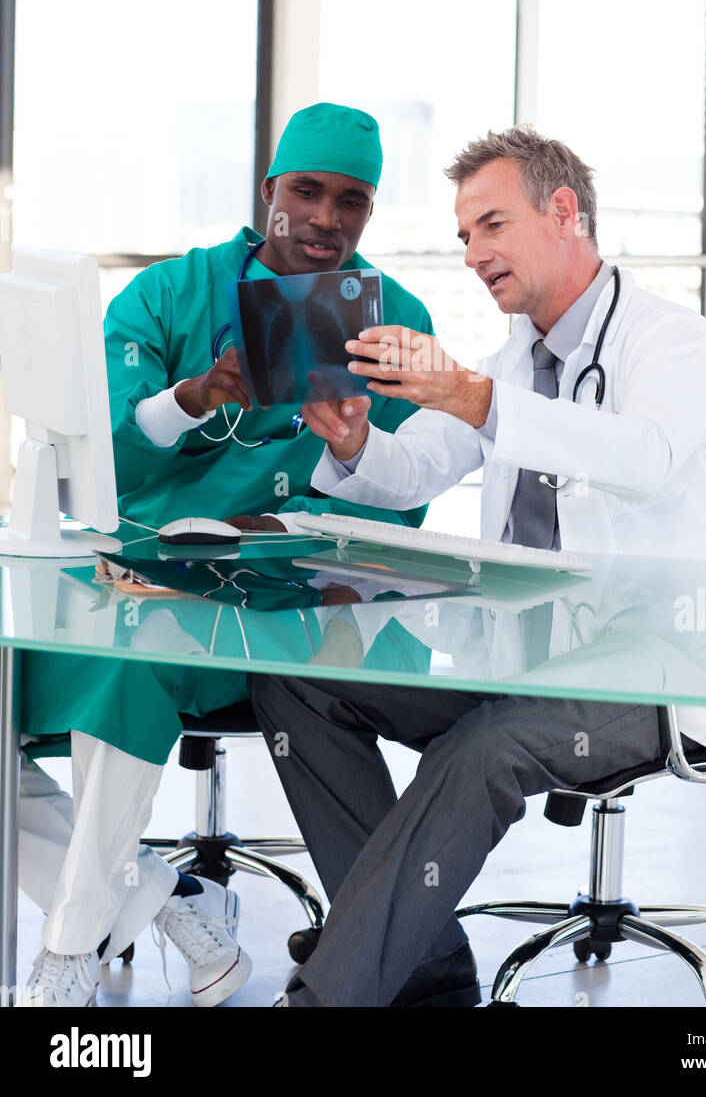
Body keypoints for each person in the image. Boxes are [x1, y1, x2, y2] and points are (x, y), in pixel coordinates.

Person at [248, 124, 706, 1007]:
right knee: (297, 682)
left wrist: (480, 399)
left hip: (653, 671)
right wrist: (357, 441)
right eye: (463, 238)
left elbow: (640, 457)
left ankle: (331, 994)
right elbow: (420, 466)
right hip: (524, 655)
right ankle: (422, 960)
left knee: (483, 748)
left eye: (491, 225)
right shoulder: (515, 359)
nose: (474, 255)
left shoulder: (676, 344)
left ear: (564, 211)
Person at [17, 103, 435, 1007]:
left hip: (281, 608)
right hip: (128, 575)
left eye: (352, 202)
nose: (327, 218)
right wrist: (198, 397)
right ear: (269, 194)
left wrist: (342, 465)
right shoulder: (172, 294)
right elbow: (105, 445)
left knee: (130, 667)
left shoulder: (391, 320)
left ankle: (66, 954)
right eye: (308, 192)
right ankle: (166, 902)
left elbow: (409, 493)